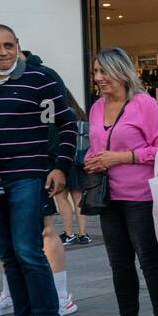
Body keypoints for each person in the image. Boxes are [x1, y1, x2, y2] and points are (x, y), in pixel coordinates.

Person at [85, 48, 158, 316]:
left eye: (103, 72)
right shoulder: (97, 108)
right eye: (96, 72)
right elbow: (96, 146)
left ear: (121, 72)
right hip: (107, 197)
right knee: (119, 263)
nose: (98, 78)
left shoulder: (144, 105)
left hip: (140, 197)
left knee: (149, 261)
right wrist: (92, 160)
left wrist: (123, 157)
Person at [0, 24, 77, 316]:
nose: (2, 51)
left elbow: (68, 124)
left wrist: (60, 166)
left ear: (18, 46)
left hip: (28, 176)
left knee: (29, 251)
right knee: (8, 254)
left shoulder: (38, 79)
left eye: (8, 44)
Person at [55, 87, 91, 247]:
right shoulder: (80, 114)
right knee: (78, 197)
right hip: (80, 161)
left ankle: (68, 234)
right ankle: (83, 234)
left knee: (61, 197)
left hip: (64, 161)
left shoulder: (60, 114)